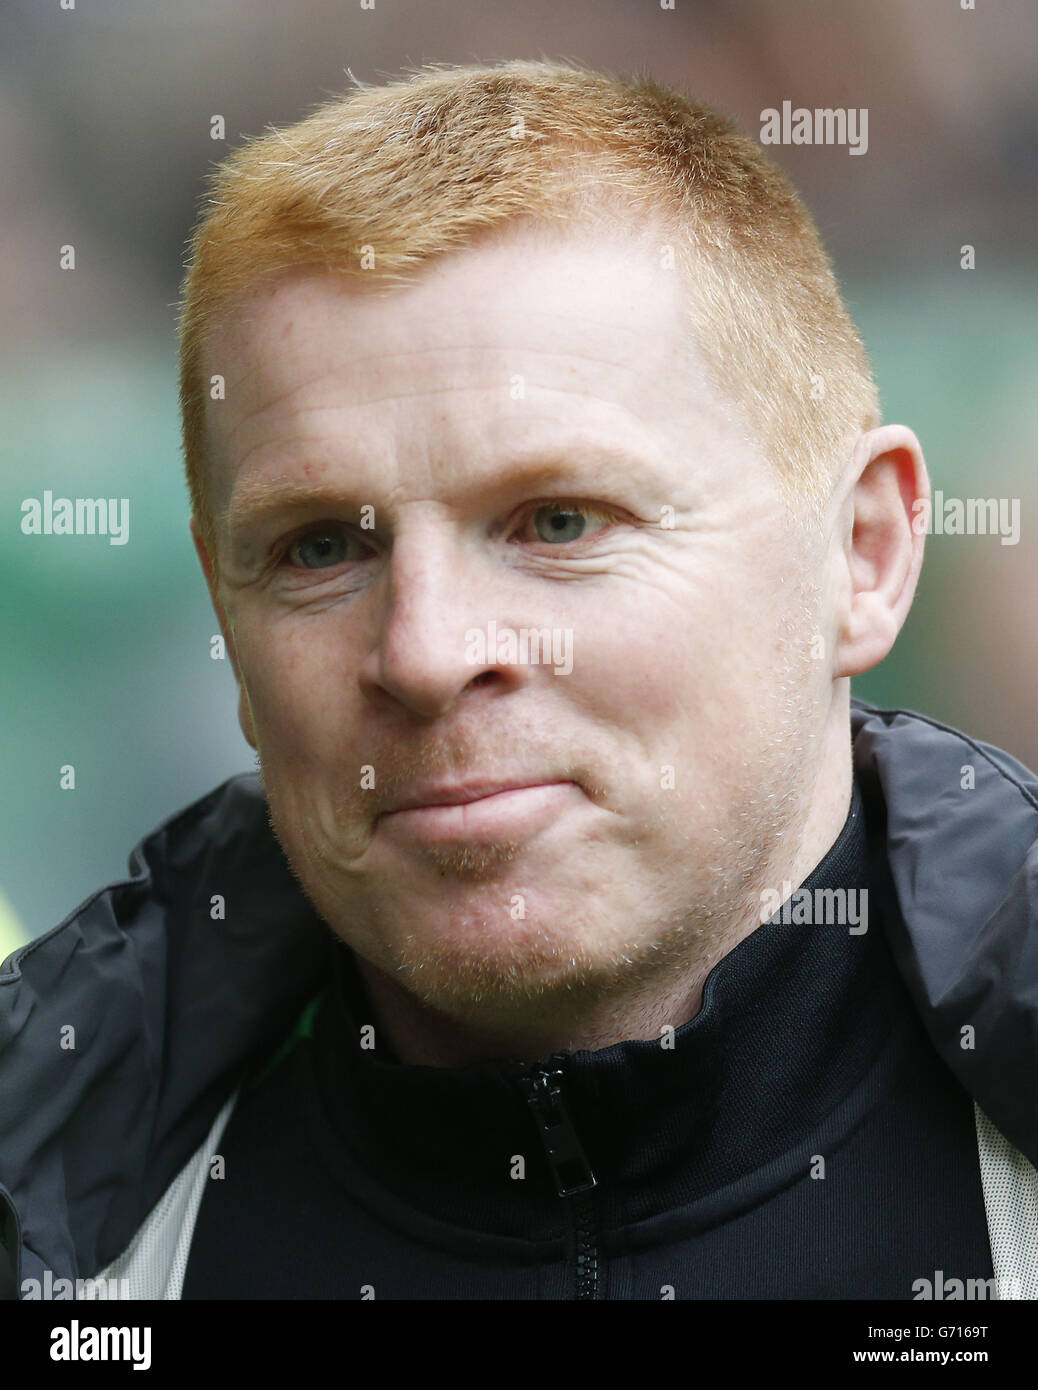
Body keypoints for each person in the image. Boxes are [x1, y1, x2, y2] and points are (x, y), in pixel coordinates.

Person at [2, 58, 1036, 1303]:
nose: (428, 653)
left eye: (559, 522)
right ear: (226, 606)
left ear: (863, 553)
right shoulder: (68, 1238)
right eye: (321, 548)